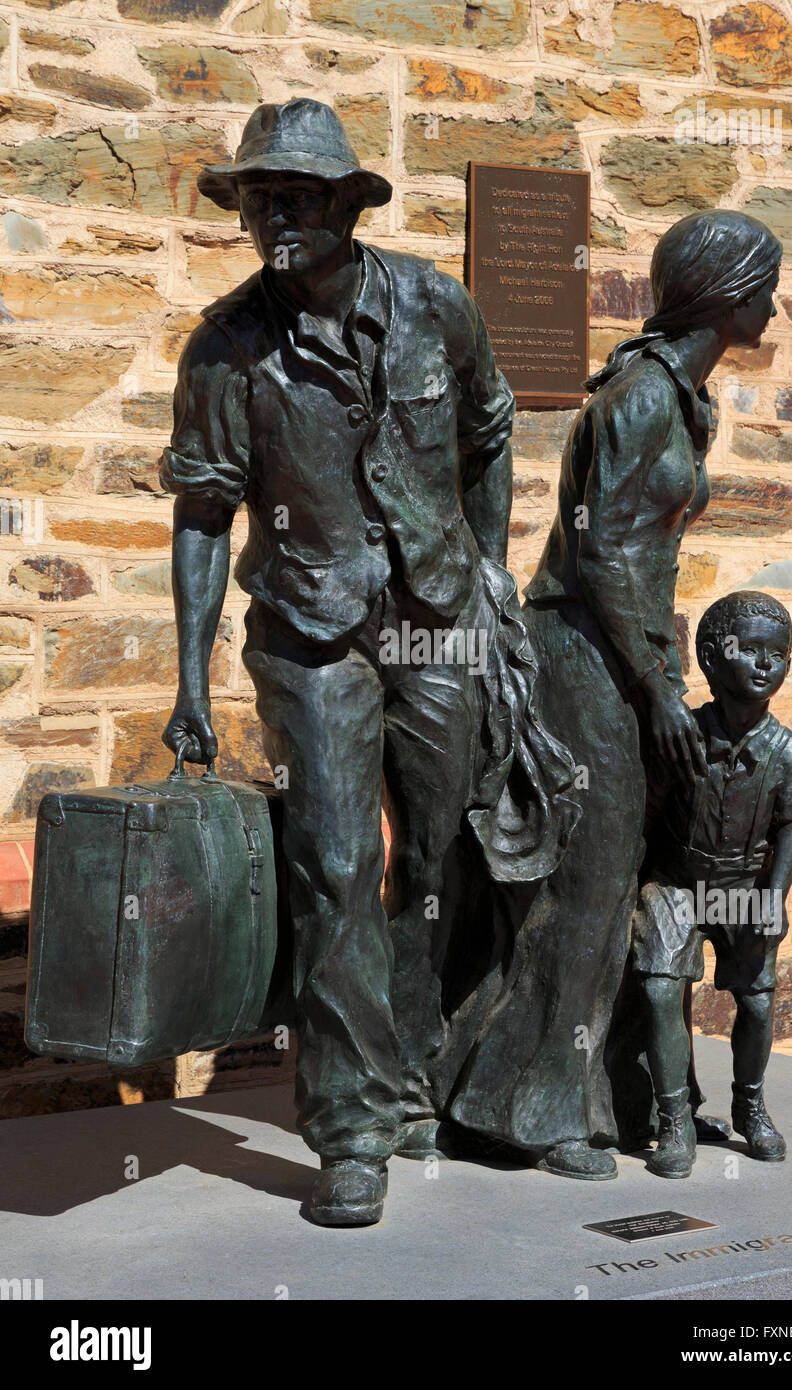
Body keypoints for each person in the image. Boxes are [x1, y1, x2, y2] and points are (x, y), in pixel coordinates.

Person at [158, 99, 575, 1227]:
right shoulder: (225, 348)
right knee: (336, 861)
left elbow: (489, 430)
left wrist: (485, 576)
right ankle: (349, 1130)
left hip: (435, 619)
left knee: (437, 860)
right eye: (257, 200)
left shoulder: (436, 305)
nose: (273, 218)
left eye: (295, 196)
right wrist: (191, 679)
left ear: (349, 204)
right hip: (310, 635)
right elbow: (202, 515)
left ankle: (412, 1076)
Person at [444, 210, 784, 1177]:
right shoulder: (641, 397)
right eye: (764, 283)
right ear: (726, 294)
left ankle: (594, 1089)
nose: (773, 302)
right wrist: (660, 690)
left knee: (615, 871)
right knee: (589, 883)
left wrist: (661, 678)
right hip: (587, 652)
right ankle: (536, 1110)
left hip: (621, 649)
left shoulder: (680, 396)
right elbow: (605, 557)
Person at [632, 592, 792, 1178]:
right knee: (662, 988)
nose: (766, 664)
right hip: (677, 883)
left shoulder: (787, 754)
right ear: (711, 658)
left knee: (757, 999)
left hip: (743, 887)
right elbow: (647, 812)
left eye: (779, 654)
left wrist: (774, 894)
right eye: (751, 650)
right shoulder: (682, 737)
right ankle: (675, 1118)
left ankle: (750, 1104)